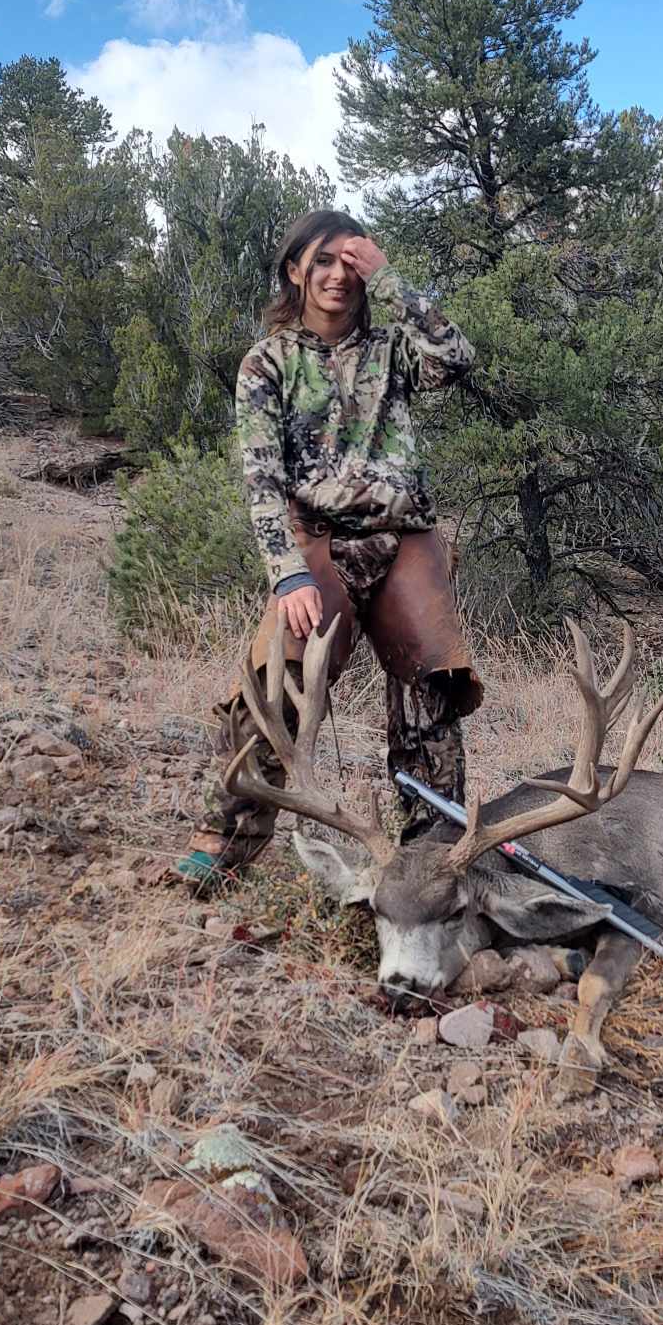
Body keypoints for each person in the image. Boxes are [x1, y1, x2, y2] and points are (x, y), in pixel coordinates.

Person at [177, 209, 483, 885]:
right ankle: (224, 841)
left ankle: (431, 859)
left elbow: (456, 357)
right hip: (316, 539)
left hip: (404, 541)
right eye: (321, 261)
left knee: (432, 691)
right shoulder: (267, 363)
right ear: (294, 271)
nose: (337, 276)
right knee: (278, 682)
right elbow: (261, 480)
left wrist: (391, 279)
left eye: (350, 262)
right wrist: (287, 575)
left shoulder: (393, 350)